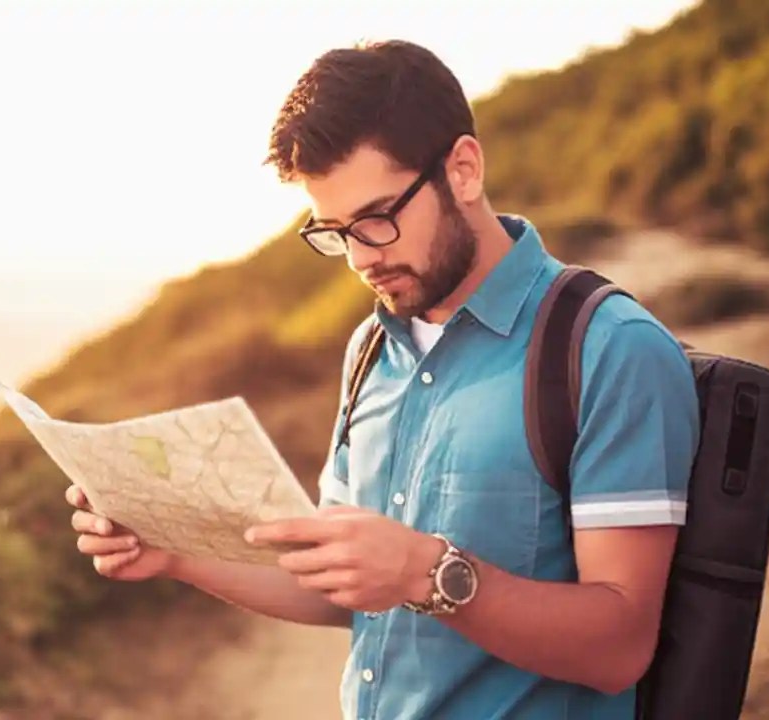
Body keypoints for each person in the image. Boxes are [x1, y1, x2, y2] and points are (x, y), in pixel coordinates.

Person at [66, 39, 700, 719]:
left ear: (463, 170)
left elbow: (620, 647)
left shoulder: (609, 351)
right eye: (336, 232)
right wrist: (173, 554)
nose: (362, 260)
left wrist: (423, 573)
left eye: (377, 219)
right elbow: (338, 585)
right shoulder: (372, 346)